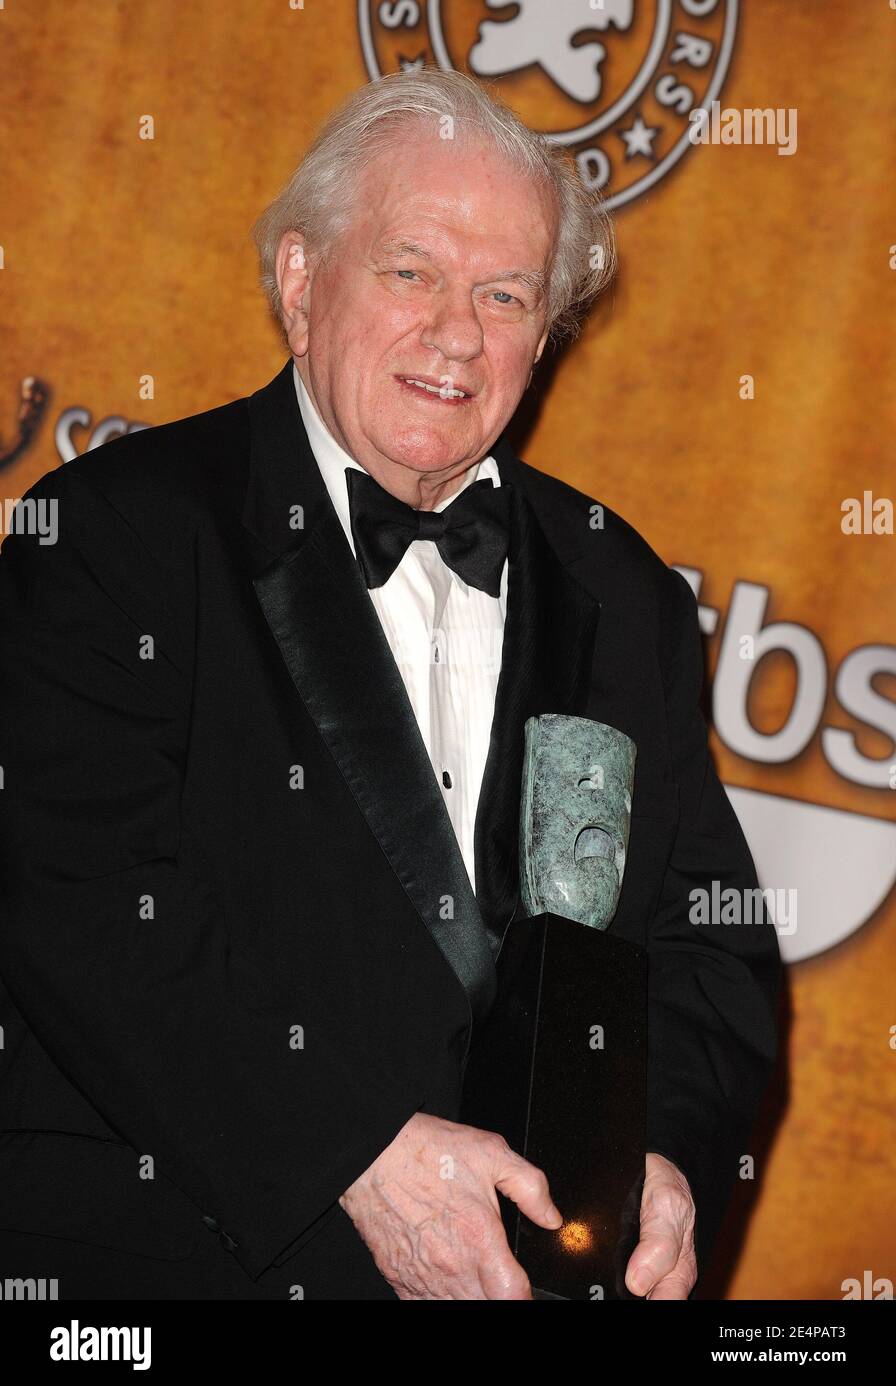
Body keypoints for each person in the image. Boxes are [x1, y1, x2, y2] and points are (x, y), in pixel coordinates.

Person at [0, 68, 780, 1300]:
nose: (457, 332)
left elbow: (707, 946)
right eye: (410, 270)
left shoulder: (616, 587)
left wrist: (664, 1155)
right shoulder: (116, 536)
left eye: (504, 293)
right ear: (301, 282)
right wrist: (348, 1153)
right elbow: (79, 896)